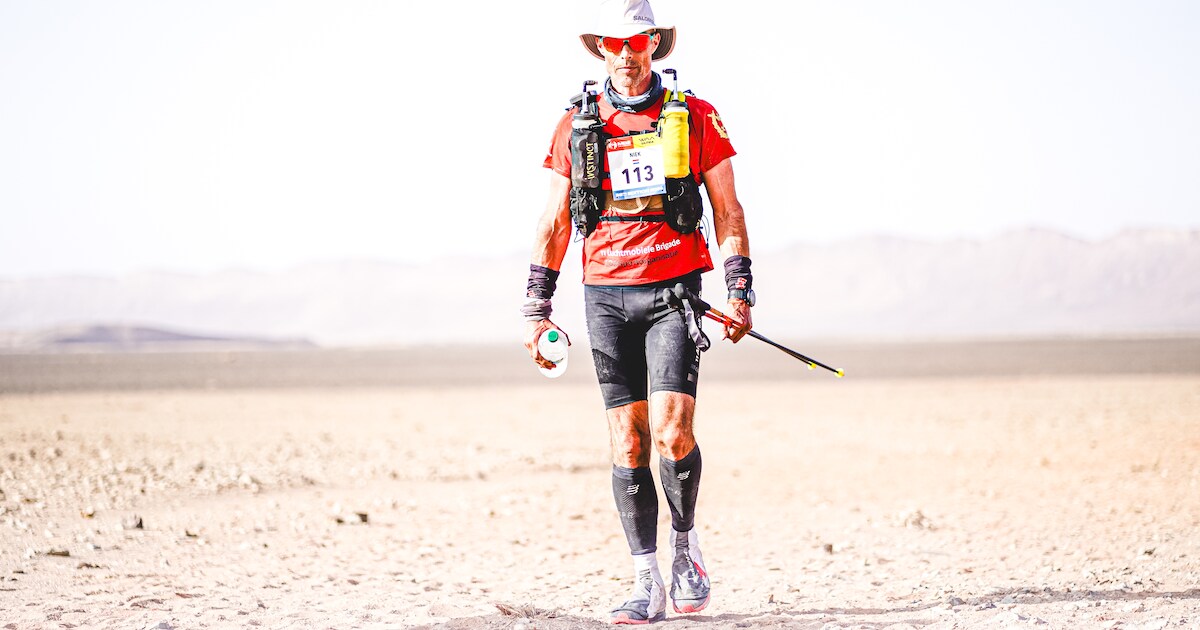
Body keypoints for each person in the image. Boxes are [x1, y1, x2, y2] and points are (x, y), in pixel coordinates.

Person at [522, 0, 755, 623]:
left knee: (673, 431)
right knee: (627, 441)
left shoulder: (696, 115)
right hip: (604, 295)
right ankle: (645, 577)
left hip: (673, 291)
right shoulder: (575, 123)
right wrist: (536, 305)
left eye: (639, 41)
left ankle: (685, 550)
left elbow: (729, 210)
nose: (628, 53)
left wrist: (739, 291)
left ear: (655, 43)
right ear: (600, 47)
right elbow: (555, 220)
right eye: (616, 43)